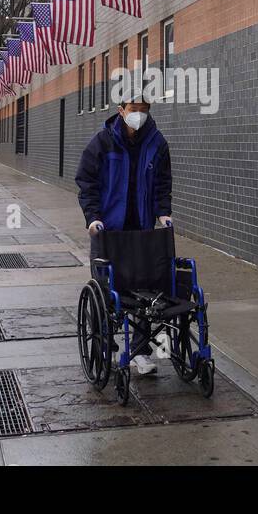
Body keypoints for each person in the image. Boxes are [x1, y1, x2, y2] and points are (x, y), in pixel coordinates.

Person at [75, 96, 173, 375]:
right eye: (133, 109)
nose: (138, 114)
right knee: (106, 291)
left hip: (141, 228)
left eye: (144, 109)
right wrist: (92, 217)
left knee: (144, 291)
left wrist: (163, 212)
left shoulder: (157, 143)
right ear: (121, 110)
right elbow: (86, 182)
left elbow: (163, 184)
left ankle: (139, 352)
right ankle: (104, 345)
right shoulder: (102, 143)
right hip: (108, 230)